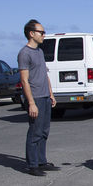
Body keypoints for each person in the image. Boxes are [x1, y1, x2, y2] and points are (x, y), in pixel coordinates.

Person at [18, 20, 57, 177]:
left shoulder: (39, 52)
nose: (44, 35)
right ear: (31, 34)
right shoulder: (24, 53)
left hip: (45, 96)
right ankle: (32, 165)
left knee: (44, 131)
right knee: (35, 131)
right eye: (41, 32)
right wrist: (32, 103)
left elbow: (44, 75)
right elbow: (24, 80)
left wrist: (51, 94)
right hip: (35, 98)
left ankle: (42, 161)